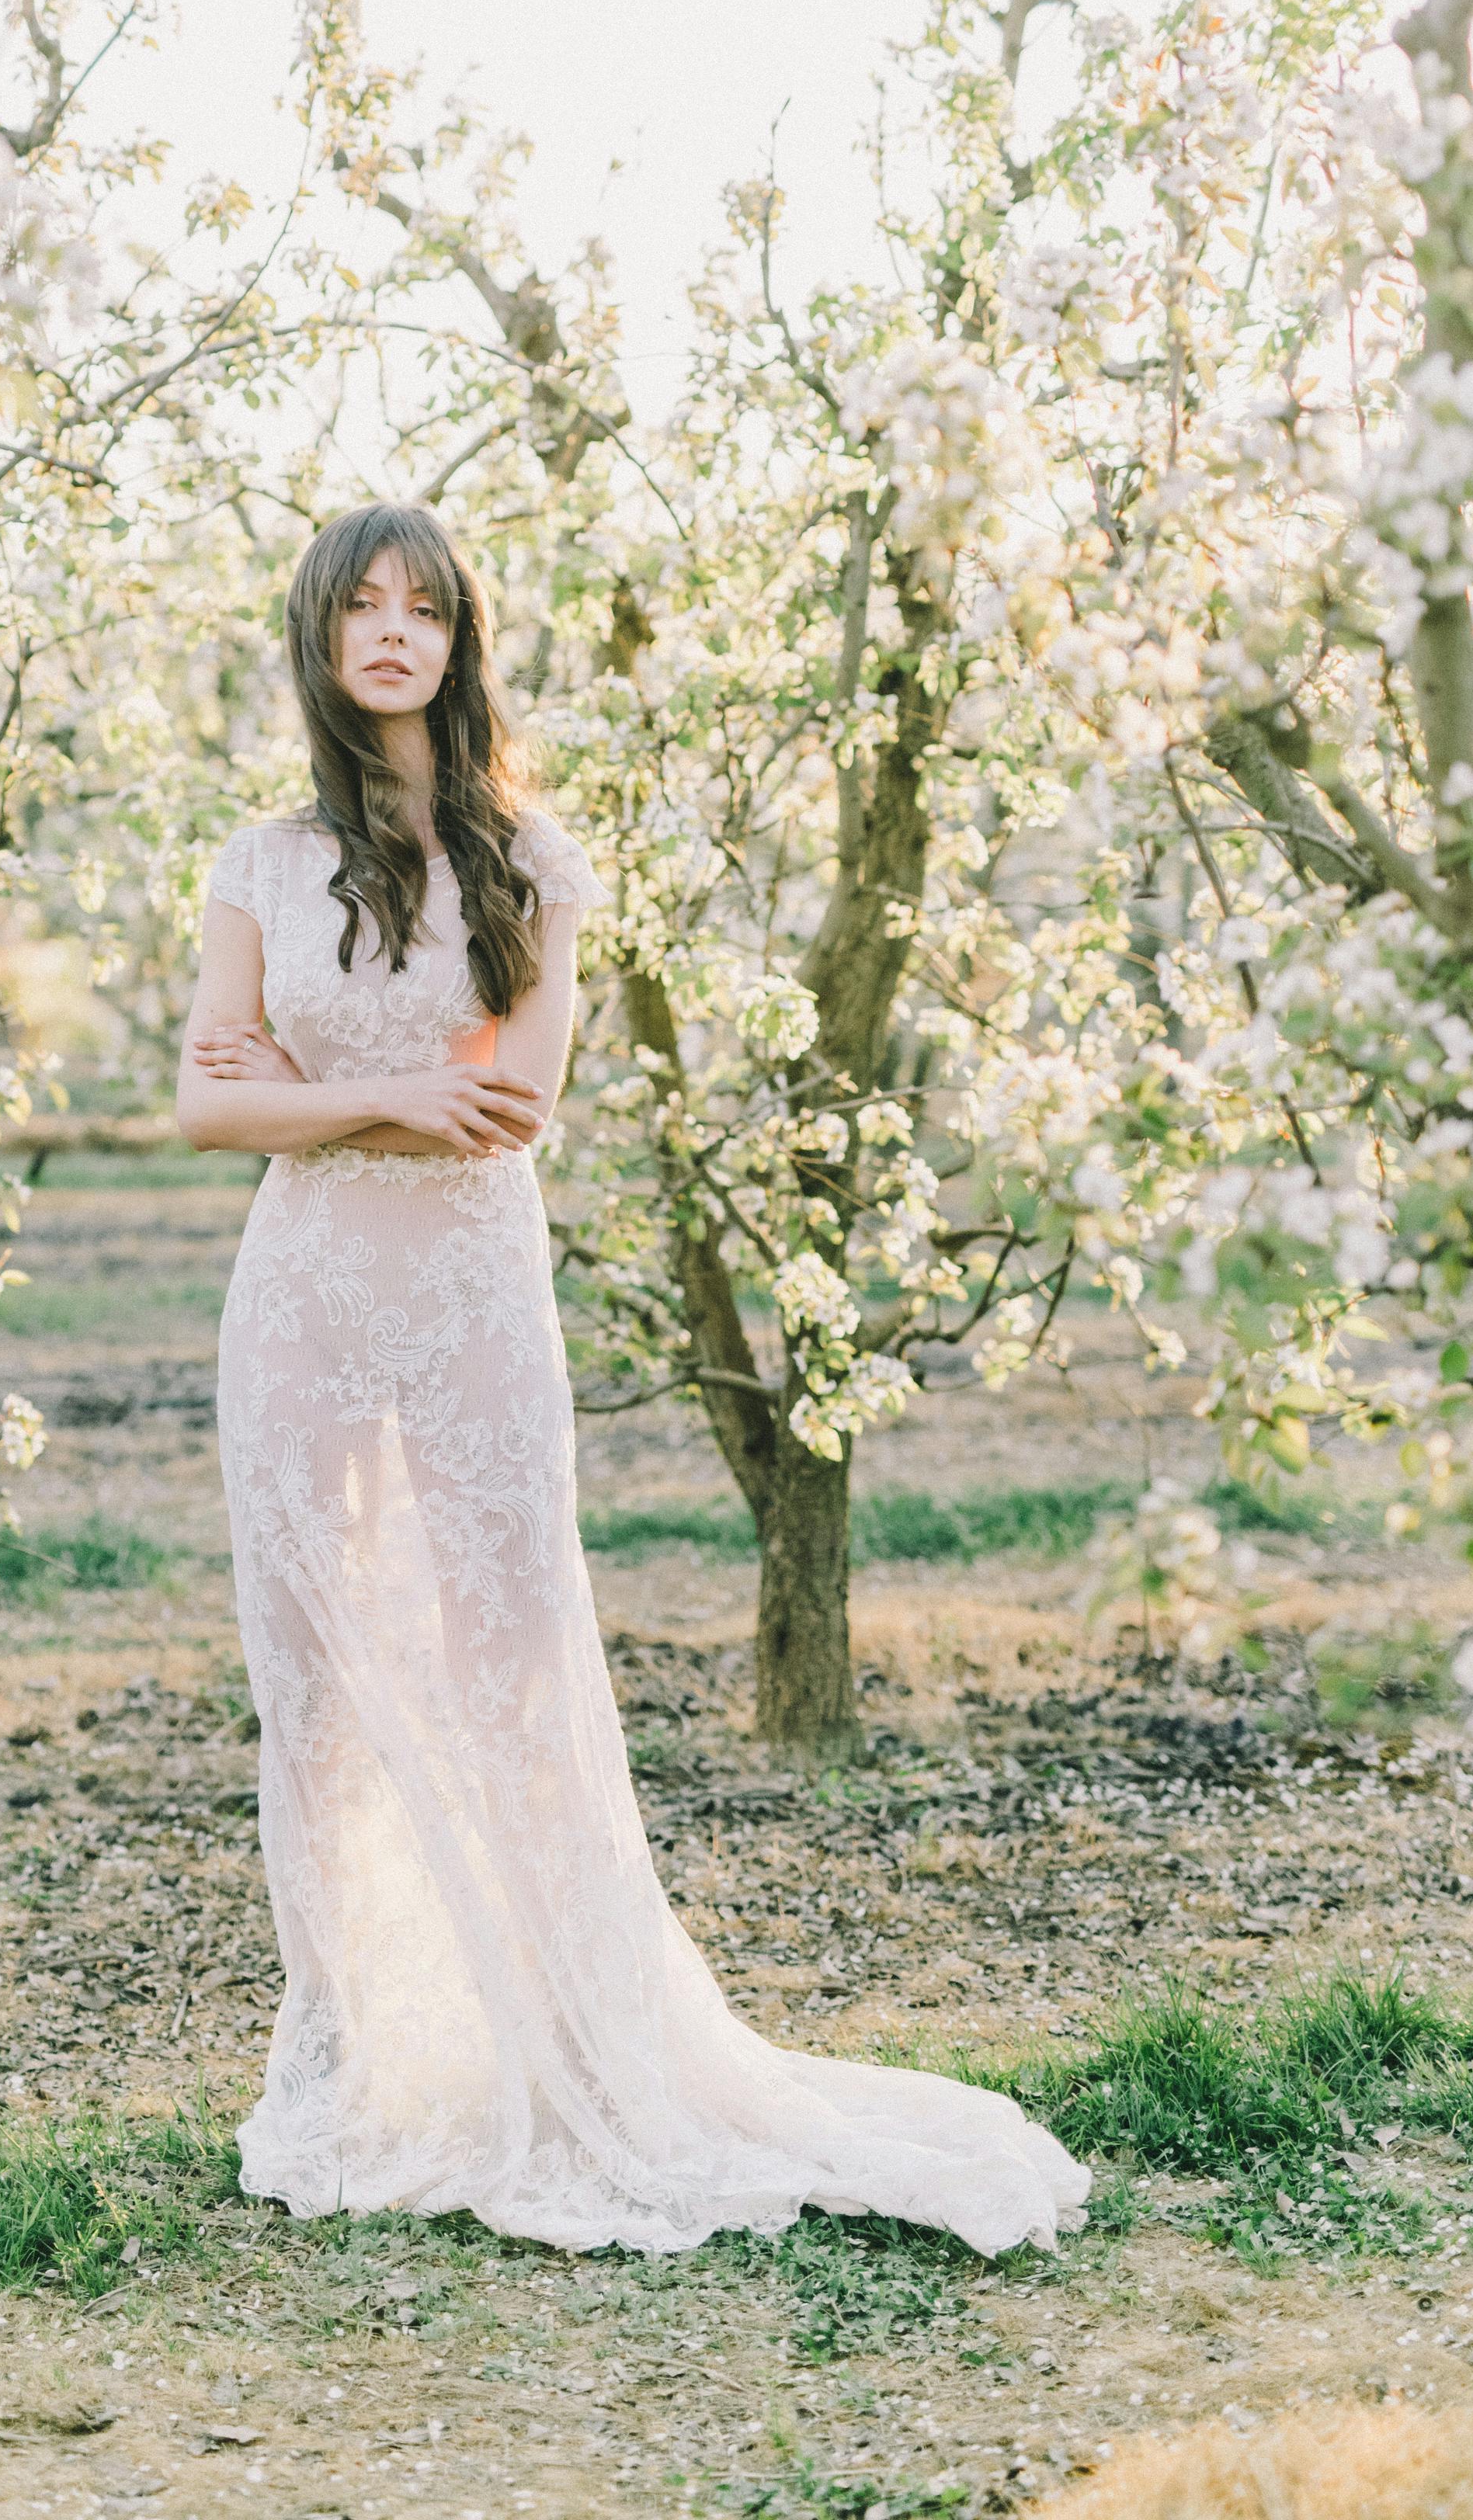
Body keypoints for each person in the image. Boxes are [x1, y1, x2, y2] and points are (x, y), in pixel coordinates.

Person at [176, 499, 1087, 2257]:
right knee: (319, 1681)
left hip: (467, 1287)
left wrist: (332, 1081)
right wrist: (388, 1092)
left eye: (422, 606)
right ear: (318, 637)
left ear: (458, 638)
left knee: (510, 1646)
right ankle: (360, 2052)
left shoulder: (528, 854)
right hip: (298, 1292)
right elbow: (210, 1105)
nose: (390, 630)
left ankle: (569, 2043)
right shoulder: (259, 861)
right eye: (359, 604)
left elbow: (516, 1096)